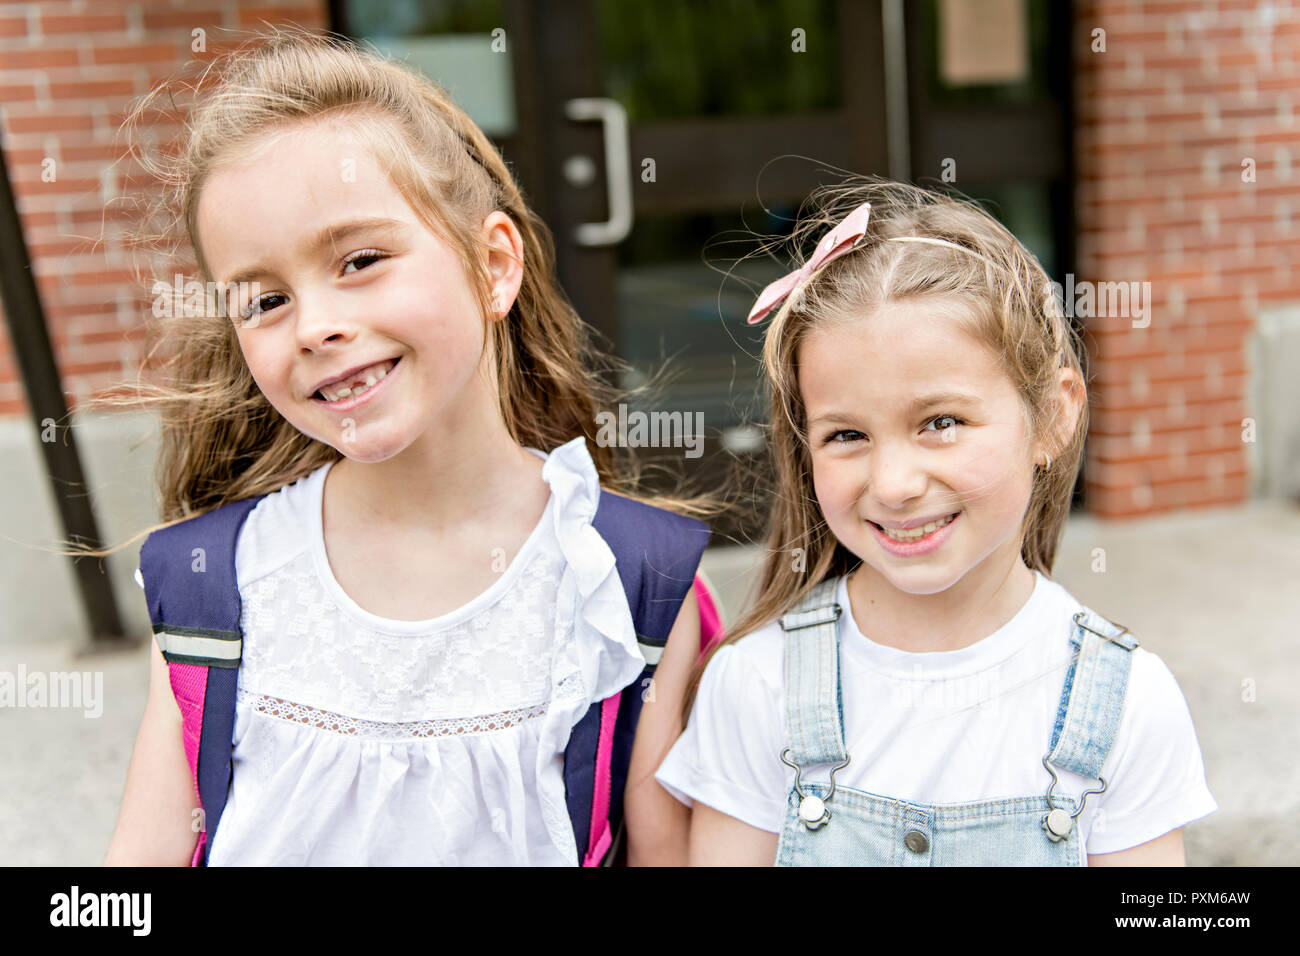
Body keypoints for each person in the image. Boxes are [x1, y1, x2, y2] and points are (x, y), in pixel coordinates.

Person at [100, 28, 713, 866]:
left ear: (494, 264)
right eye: (266, 299)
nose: (316, 326)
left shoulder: (631, 582)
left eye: (359, 259)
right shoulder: (211, 588)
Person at [655, 178, 1217, 866]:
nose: (893, 485)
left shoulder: (1128, 701)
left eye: (941, 423)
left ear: (1055, 415)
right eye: (846, 435)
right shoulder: (755, 685)